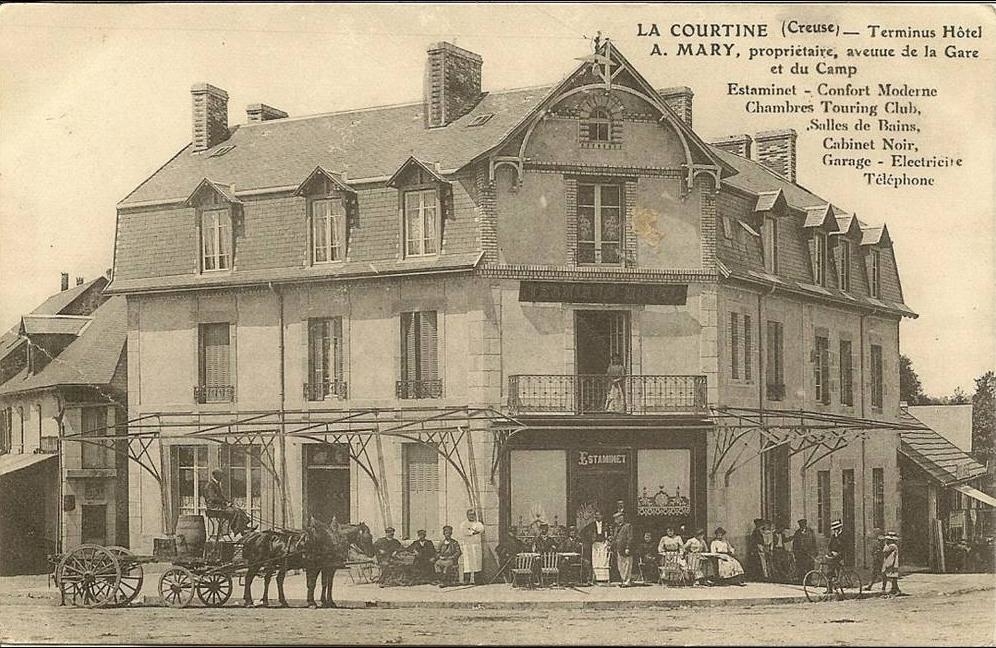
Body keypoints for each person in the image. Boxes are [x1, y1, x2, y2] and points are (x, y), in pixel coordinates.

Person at [203, 468, 256, 537]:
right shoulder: (210, 485)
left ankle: (244, 528)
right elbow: (213, 498)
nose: (221, 477)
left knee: (238, 510)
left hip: (219, 506)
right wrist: (224, 503)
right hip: (213, 508)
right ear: (214, 475)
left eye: (221, 475)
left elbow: (221, 497)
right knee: (234, 511)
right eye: (220, 475)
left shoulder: (216, 484)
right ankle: (239, 529)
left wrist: (228, 502)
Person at [581, 510, 611, 585]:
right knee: (596, 560)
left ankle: (604, 578)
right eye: (596, 515)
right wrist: (589, 540)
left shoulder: (606, 525)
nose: (597, 516)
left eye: (599, 515)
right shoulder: (591, 525)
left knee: (603, 560)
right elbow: (583, 532)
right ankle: (595, 577)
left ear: (602, 516)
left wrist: (608, 539)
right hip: (595, 544)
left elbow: (610, 534)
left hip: (603, 544)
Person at [460, 509, 485, 585]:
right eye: (470, 514)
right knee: (468, 564)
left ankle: (478, 580)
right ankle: (466, 580)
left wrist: (472, 531)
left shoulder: (478, 523)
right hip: (468, 546)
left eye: (473, 514)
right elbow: (465, 532)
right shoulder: (464, 524)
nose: (471, 516)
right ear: (467, 515)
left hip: (476, 546)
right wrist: (473, 532)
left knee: (477, 563)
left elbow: (481, 529)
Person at [612, 510, 635, 587]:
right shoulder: (616, 528)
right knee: (620, 565)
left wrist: (628, 547)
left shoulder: (628, 526)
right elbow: (615, 538)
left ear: (621, 518)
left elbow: (630, 538)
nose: (615, 520)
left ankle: (627, 581)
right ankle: (623, 579)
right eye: (615, 519)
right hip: (619, 549)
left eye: (617, 518)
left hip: (626, 549)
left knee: (627, 565)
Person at [881, 531, 905, 596]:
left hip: (891, 562)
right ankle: (893, 589)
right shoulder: (890, 545)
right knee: (890, 576)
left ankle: (897, 590)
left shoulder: (892, 546)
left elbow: (885, 552)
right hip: (888, 561)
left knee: (891, 576)